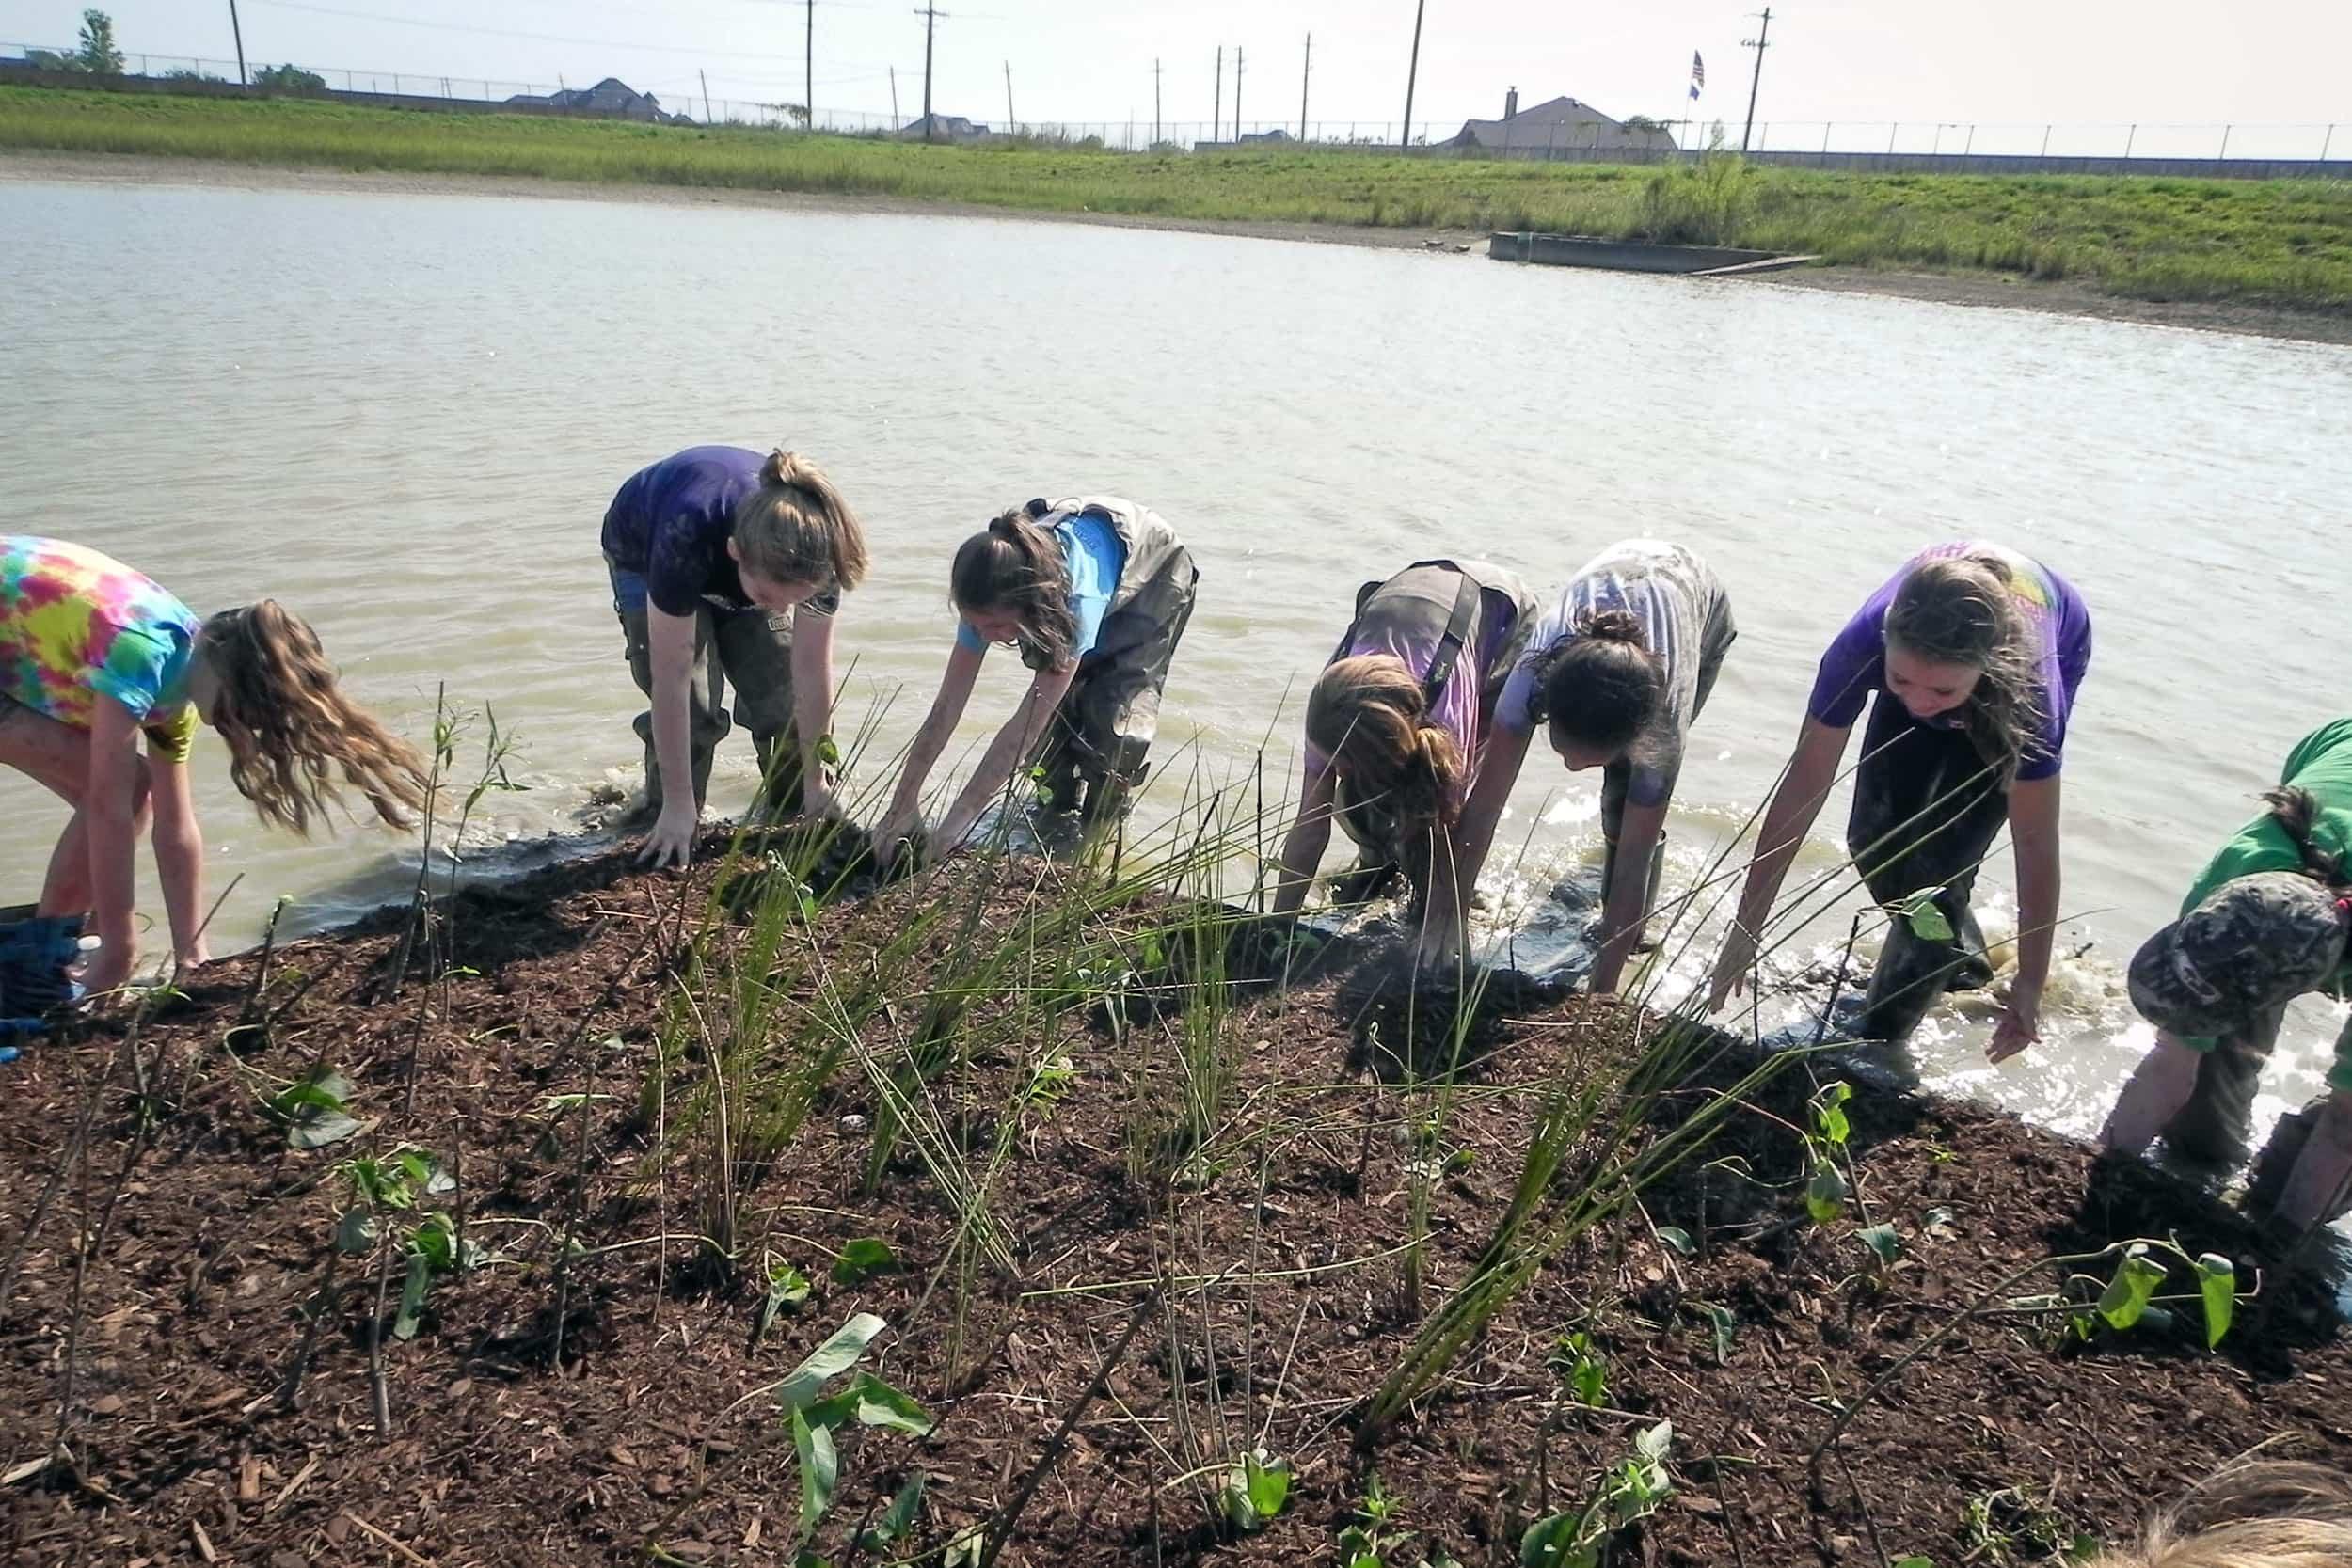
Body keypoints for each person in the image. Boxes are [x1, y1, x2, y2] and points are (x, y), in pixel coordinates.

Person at [1, 535, 428, 996]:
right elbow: (108, 806)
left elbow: (175, 829)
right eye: (245, 710)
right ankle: (44, 958)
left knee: (130, 798)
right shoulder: (143, 652)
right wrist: (121, 951)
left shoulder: (178, 689)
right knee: (120, 794)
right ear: (226, 671)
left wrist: (191, 953)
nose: (244, 728)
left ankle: (60, 947)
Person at [1708, 543, 2092, 1054]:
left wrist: (2030, 983)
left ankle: (1878, 1043)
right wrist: (1746, 926)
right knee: (1871, 841)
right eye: (1901, 682)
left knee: (1936, 882)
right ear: (1886, 641)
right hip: (1945, 657)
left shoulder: (2032, 695)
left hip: (2025, 667)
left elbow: (2036, 842)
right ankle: (1961, 966)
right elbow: (1803, 788)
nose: (1916, 703)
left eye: (1939, 695)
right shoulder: (1858, 647)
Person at [2100, 718, 2352, 1231]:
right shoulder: (2245, 868)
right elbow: (2173, 1058)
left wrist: (2275, 1247)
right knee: (2200, 1125)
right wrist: (2101, 1169)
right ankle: (2210, 1161)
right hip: (2338, 748)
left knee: (2296, 1189)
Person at [1451, 541, 1736, 993]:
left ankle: (1628, 939)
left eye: (1585, 758)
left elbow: (1633, 861)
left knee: (1627, 810)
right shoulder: (1530, 679)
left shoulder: (1662, 725)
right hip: (1627, 567)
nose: (1569, 767)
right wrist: (1447, 922)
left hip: (1701, 608)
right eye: (1563, 750)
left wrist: (1603, 992)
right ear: (1548, 706)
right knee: (1613, 806)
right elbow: (1482, 810)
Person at [874, 496, 1195, 860]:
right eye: (976, 625)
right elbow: (946, 707)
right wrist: (902, 804)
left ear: (1030, 606)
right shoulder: (984, 597)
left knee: (1111, 728)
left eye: (995, 626)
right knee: (1049, 748)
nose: (986, 635)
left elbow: (1023, 727)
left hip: (1153, 576)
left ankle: (1096, 835)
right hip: (1056, 590)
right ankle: (1051, 826)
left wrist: (954, 825)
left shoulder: (1076, 600)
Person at [601, 446, 869, 869]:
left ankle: (792, 812)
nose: (782, 610)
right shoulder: (685, 535)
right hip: (644, 549)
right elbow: (671, 676)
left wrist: (817, 781)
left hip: (757, 561)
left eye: (794, 601)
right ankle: (665, 817)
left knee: (781, 701)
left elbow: (811, 674)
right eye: (768, 599)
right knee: (695, 706)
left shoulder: (820, 559)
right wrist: (678, 802)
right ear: (734, 552)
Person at [1269, 558, 1535, 965]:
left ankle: (1435, 905)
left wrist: (1443, 919)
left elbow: (1461, 825)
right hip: (1406, 602)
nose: (1337, 772)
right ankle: (1377, 865)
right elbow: (1310, 824)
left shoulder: (1446, 717)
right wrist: (1278, 923)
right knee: (1360, 801)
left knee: (1429, 816)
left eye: (1345, 763)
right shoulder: (1328, 712)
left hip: (1500, 617)